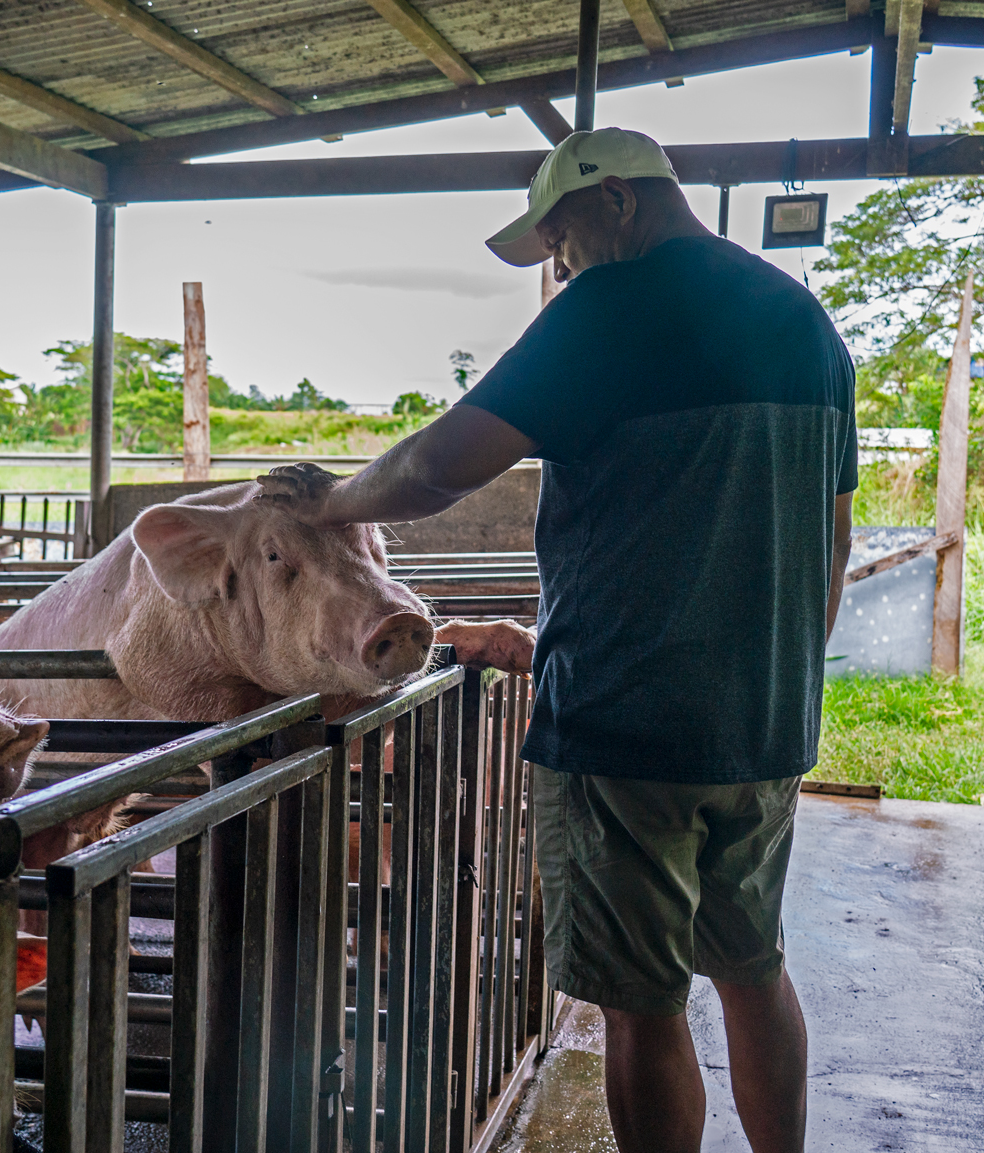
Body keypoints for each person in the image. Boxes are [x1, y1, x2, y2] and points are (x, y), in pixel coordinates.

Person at [258, 126, 857, 1153]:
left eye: (561, 236)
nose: (561, 264)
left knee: (641, 1001)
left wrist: (331, 501)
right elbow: (831, 539)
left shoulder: (609, 308)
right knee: (752, 967)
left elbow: (443, 461)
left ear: (617, 201)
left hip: (622, 727)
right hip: (761, 723)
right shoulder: (800, 319)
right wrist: (776, 673)